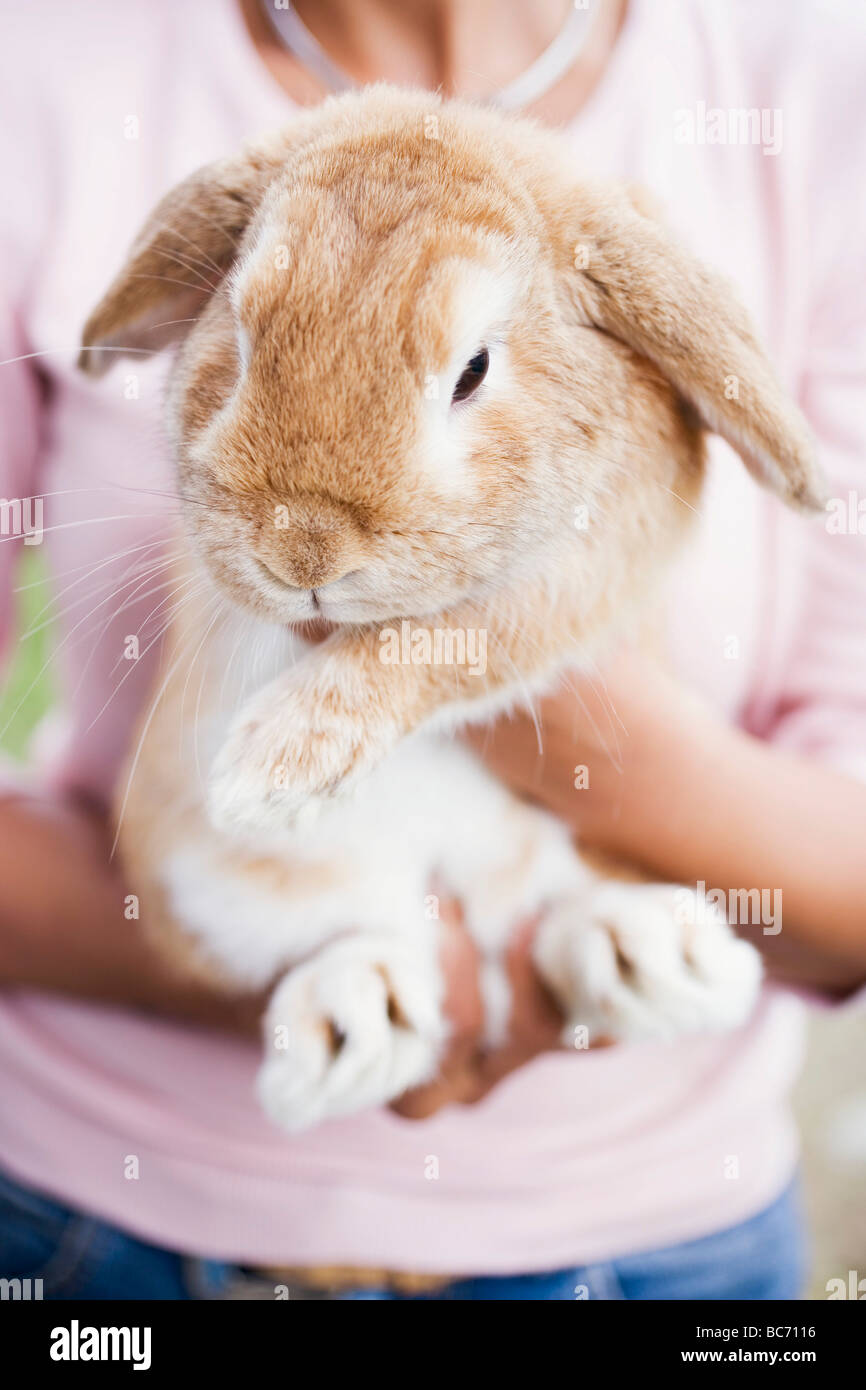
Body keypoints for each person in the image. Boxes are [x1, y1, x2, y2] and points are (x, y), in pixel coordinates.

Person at [0, 0, 864, 1301]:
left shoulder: (807, 86)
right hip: (87, 1228)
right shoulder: (48, 70)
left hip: (654, 1247)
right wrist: (274, 974)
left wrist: (478, 678)